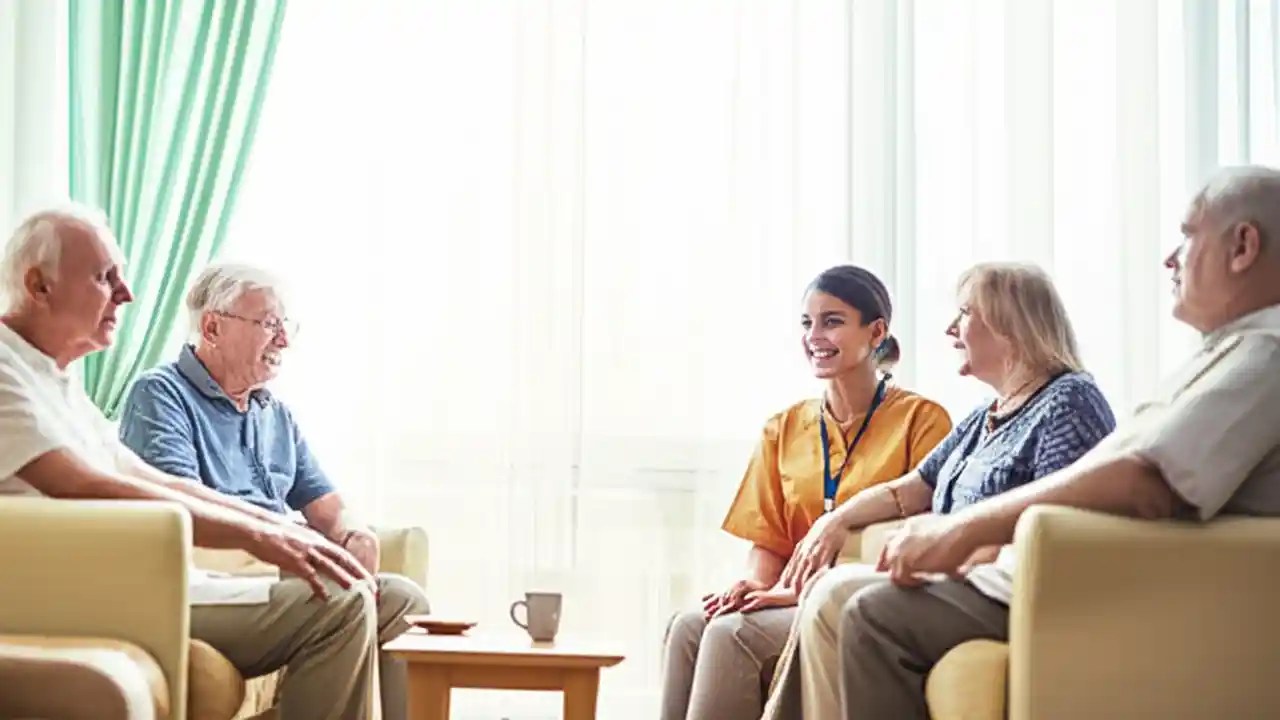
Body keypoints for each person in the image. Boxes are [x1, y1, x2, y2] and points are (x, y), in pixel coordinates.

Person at [832, 165, 1280, 719]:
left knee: (873, 617)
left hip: (1103, 584)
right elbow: (918, 485)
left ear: (1243, 246)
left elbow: (1150, 480)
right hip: (1072, 569)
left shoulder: (1267, 353)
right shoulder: (1229, 353)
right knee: (847, 601)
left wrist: (966, 528)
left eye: (1189, 235)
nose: (1171, 258)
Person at [0, 205, 380, 720]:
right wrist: (259, 537)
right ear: (39, 286)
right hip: (95, 592)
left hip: (143, 579)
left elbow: (139, 475)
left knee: (373, 592)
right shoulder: (6, 370)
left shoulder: (55, 379)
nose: (125, 295)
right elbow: (81, 485)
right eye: (104, 277)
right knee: (342, 604)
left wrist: (279, 529)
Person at [762, 262, 1117, 719]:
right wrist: (838, 518)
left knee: (839, 597)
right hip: (961, 576)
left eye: (965, 314)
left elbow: (1061, 516)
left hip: (1006, 587)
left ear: (1008, 323)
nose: (951, 329)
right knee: (829, 588)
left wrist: (964, 548)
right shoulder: (985, 414)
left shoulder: (1069, 400)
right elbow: (913, 488)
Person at [117, 262, 429, 720]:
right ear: (213, 326)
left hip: (276, 570)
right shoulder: (160, 395)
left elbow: (327, 505)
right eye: (269, 323)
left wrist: (352, 536)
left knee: (404, 603)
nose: (284, 339)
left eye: (286, 325)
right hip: (219, 574)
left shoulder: (274, 413)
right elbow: (181, 508)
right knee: (342, 601)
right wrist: (288, 542)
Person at [659, 265, 953, 720]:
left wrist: (797, 592)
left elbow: (923, 537)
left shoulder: (923, 421)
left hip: (854, 600)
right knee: (688, 627)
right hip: (788, 595)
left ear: (876, 332)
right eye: (807, 322)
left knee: (730, 635)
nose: (815, 335)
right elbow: (770, 538)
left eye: (832, 321)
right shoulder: (784, 427)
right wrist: (756, 585)